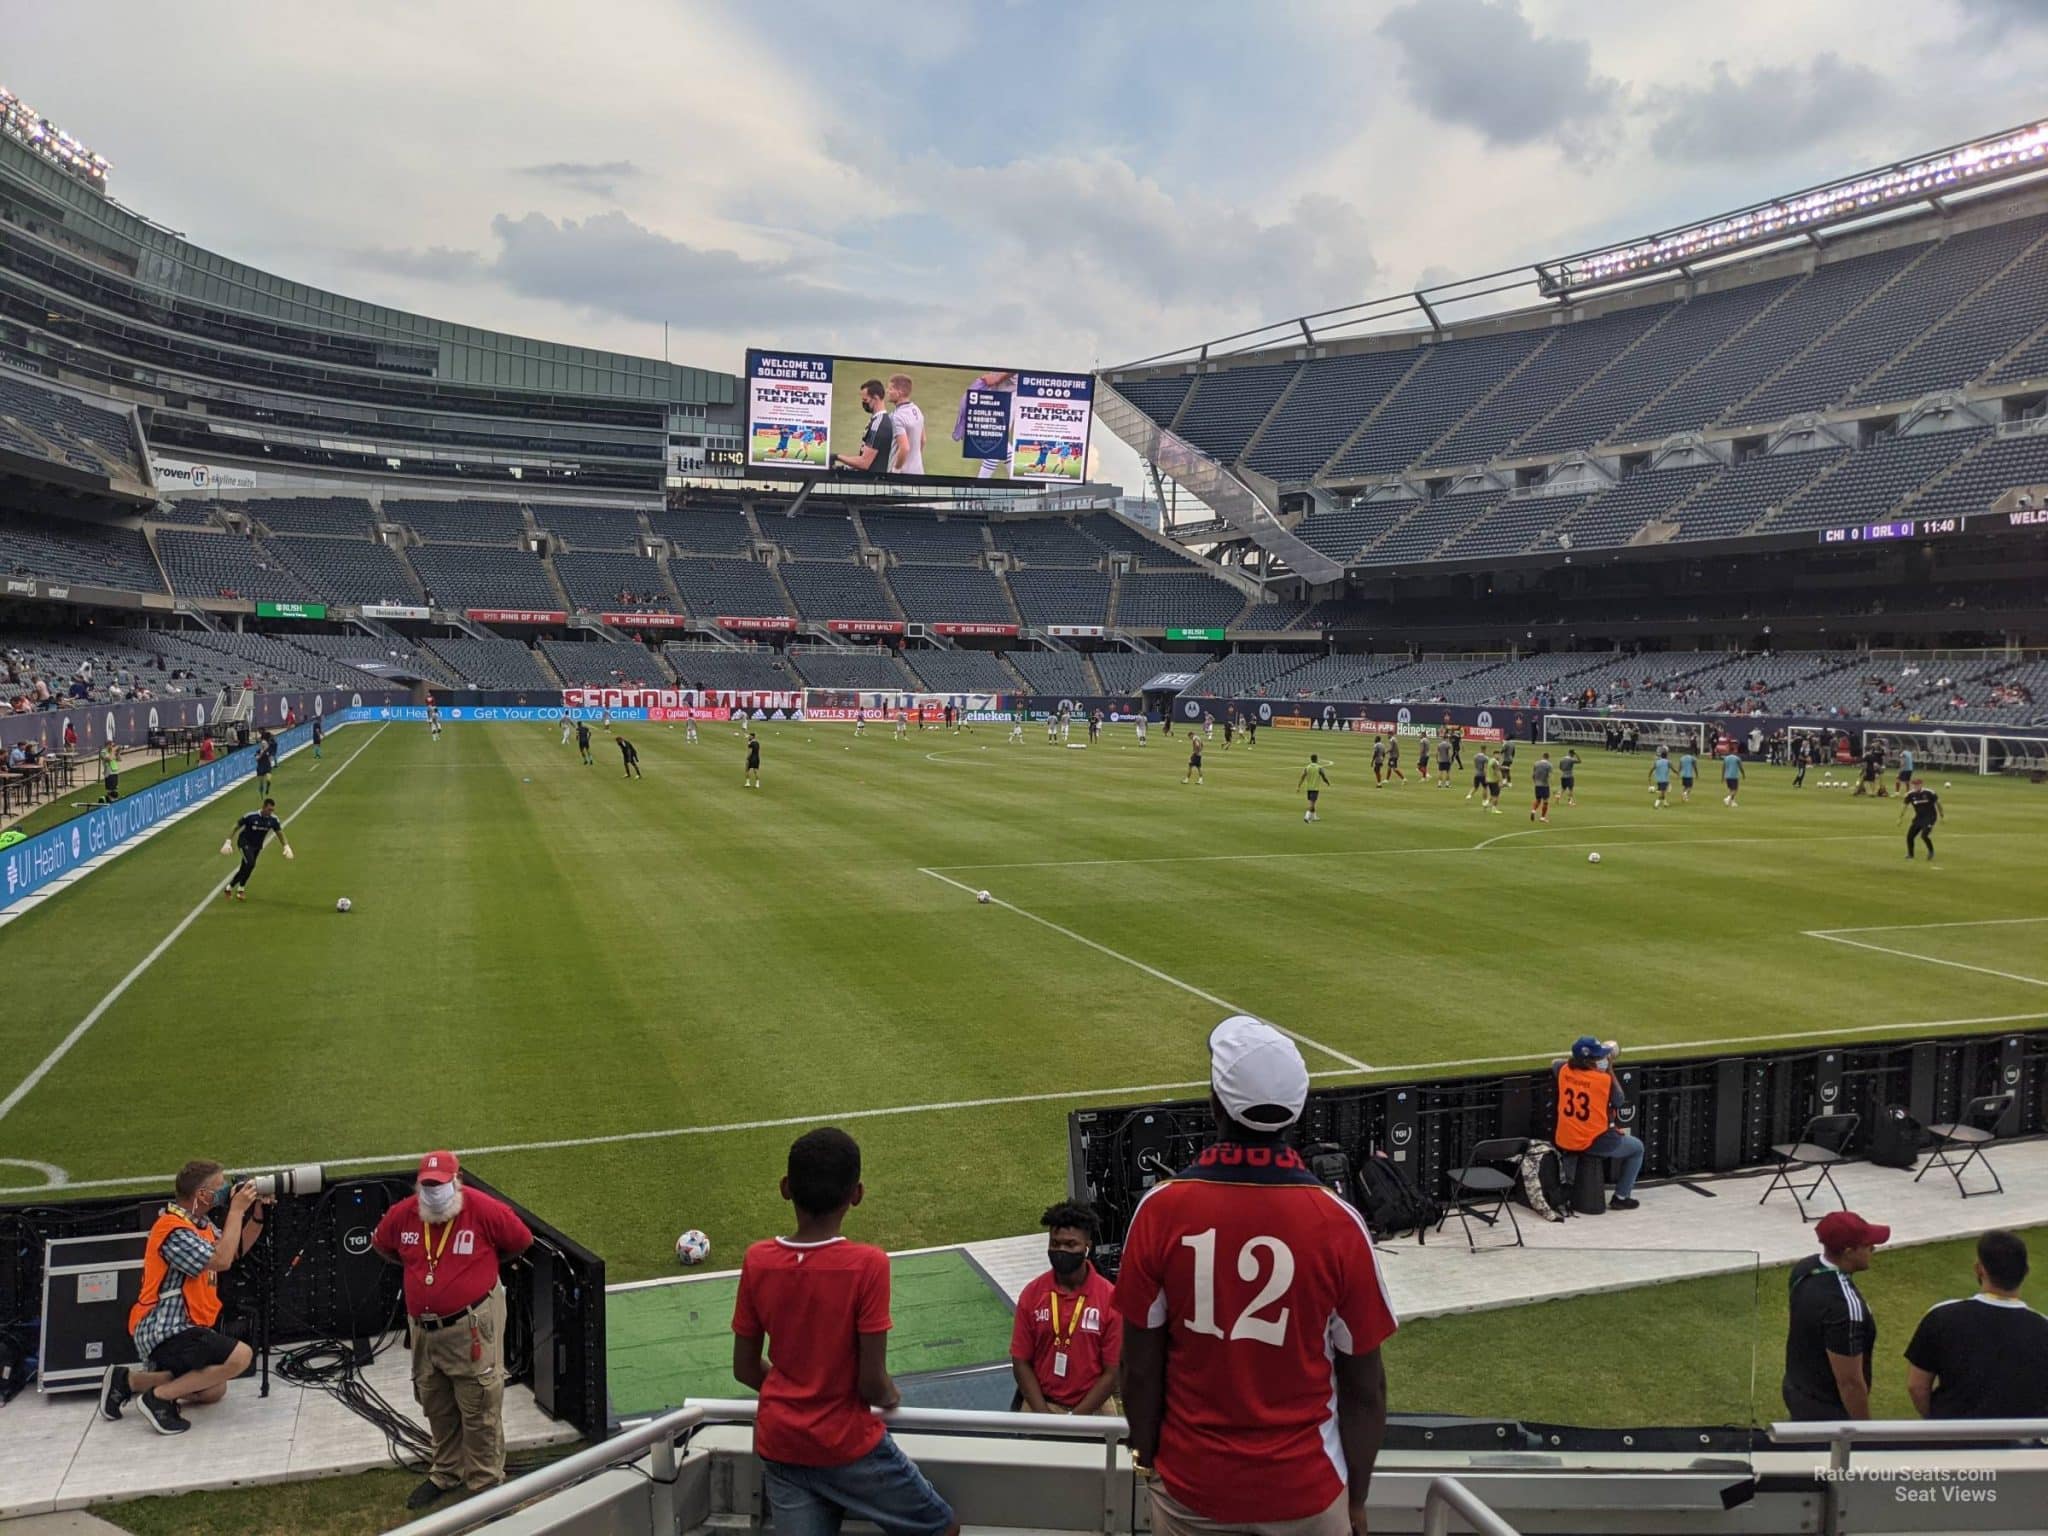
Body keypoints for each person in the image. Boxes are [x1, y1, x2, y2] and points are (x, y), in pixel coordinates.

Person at [1115, 1018, 1396, 1536]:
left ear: (1215, 1106)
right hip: (1307, 1492)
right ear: (1298, 1112)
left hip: (1192, 1488)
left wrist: (1146, 1458)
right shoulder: (1338, 1222)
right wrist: (1355, 1499)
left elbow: (1137, 1368)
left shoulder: (1160, 1211)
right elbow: (1365, 1388)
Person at [732, 1129, 959, 1536]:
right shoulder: (868, 1264)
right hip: (847, 1447)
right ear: (856, 1193)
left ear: (786, 1189)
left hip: (780, 1443)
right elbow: (872, 1385)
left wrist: (794, 1391)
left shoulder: (758, 1259)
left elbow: (745, 1368)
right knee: (943, 1528)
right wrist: (891, 1396)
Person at [372, 1151, 535, 1510]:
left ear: (456, 1181)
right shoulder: (404, 1214)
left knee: (479, 1405)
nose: (433, 1192)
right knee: (435, 1400)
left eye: (440, 1185)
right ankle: (446, 1472)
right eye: (427, 1186)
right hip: (425, 1331)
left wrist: (479, 1275)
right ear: (419, 1185)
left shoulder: (482, 1209)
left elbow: (521, 1241)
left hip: (471, 1325)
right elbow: (383, 1245)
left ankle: (486, 1483)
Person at [101, 1160, 266, 1435]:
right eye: (220, 1186)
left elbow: (233, 1250)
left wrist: (257, 1214)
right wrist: (237, 1210)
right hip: (164, 1330)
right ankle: (158, 1399)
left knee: (214, 1389)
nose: (226, 1190)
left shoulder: (199, 1224)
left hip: (185, 1329)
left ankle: (128, 1381)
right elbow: (222, 1260)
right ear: (202, 1195)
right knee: (240, 1357)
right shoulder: (173, 1229)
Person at [1904, 1230, 2048, 1419]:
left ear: (1979, 1269)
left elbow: (1917, 1386)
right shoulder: (2043, 1327)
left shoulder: (1941, 1316)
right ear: (2026, 1271)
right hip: (2019, 1444)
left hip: (1955, 1441)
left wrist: (1940, 1425)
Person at [1011, 1201, 1121, 1416]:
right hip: (1040, 1405)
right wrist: (1044, 1415)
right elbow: (1021, 1360)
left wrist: (1076, 1419)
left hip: (1094, 1409)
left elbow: (1113, 1372)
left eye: (1071, 1245)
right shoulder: (1032, 1295)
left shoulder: (1109, 1299)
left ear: (1087, 1246)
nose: (1061, 1250)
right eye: (1055, 1243)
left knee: (1110, 1448)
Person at [1783, 1212, 1889, 1421]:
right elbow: (1850, 1382)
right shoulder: (1844, 1307)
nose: (1873, 1249)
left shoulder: (1805, 1268)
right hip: (1826, 1409)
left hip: (1796, 1388)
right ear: (1849, 1252)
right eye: (1868, 1245)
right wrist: (1864, 1430)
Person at [1552, 1037, 1642, 1210]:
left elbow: (1555, 1062)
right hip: (1593, 1140)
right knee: (1637, 1148)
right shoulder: (1603, 1080)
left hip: (1566, 1138)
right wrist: (1609, 1068)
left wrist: (1579, 1063)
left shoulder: (1563, 1070)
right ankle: (1621, 1197)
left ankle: (1570, 1186)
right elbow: (1619, 1099)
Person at [221, 796, 291, 902]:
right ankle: (238, 889)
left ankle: (233, 888)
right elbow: (236, 826)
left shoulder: (273, 820)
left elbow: (279, 833)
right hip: (244, 843)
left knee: (246, 867)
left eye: (272, 810)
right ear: (263, 807)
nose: (270, 812)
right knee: (250, 863)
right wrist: (228, 841)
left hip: (257, 846)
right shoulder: (251, 816)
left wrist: (286, 846)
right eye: (269, 810)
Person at [832, 379, 896, 475]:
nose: (863, 403)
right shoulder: (877, 420)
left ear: (875, 398)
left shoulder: (879, 424)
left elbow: (864, 463)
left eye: (865, 400)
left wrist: (837, 457)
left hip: (872, 483)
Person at [885, 374, 925, 476]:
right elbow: (923, 440)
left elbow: (904, 448)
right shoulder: (916, 410)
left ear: (900, 392)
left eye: (890, 389)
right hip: (918, 471)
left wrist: (896, 470)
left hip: (902, 477)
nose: (887, 391)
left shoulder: (896, 417)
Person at [1899, 777, 1942, 862]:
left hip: (1930, 817)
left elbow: (1938, 803)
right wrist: (1900, 818)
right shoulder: (1910, 794)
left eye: (1917, 784)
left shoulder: (1929, 793)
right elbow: (1905, 806)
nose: (1915, 786)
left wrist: (1942, 815)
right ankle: (1910, 855)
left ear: (1921, 784)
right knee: (1910, 836)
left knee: (1924, 835)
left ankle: (1931, 851)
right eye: (1914, 784)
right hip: (1918, 818)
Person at [1298, 753, 1332, 822]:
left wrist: (1299, 786)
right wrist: (1327, 782)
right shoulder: (1319, 768)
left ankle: (1314, 817)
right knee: (1312, 804)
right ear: (1316, 759)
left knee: (1312, 803)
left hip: (1308, 788)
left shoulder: (1307, 767)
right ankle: (1306, 816)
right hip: (1315, 788)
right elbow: (1323, 777)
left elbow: (1302, 777)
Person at [1529, 751, 1554, 823]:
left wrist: (1535, 782)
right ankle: (1542, 817)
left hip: (1537, 784)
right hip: (1545, 785)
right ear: (1548, 757)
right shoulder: (1549, 765)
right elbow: (1549, 775)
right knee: (1545, 801)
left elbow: (1533, 775)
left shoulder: (1536, 763)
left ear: (1542, 756)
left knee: (1538, 800)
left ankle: (1533, 811)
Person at [255, 730, 277, 798]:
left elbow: (272, 754)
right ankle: (262, 795)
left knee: (268, 779)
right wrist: (261, 755)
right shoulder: (259, 751)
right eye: (263, 744)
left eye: (265, 744)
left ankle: (267, 788)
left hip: (266, 766)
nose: (264, 744)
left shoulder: (268, 749)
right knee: (261, 784)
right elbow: (257, 758)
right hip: (261, 767)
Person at [100, 738, 121, 802]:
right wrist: (113, 751)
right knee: (110, 791)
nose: (113, 746)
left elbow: (119, 759)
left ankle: (115, 801)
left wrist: (118, 752)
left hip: (115, 772)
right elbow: (109, 759)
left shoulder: (112, 751)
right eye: (112, 745)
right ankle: (109, 801)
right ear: (108, 745)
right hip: (109, 773)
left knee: (115, 791)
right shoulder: (103, 752)